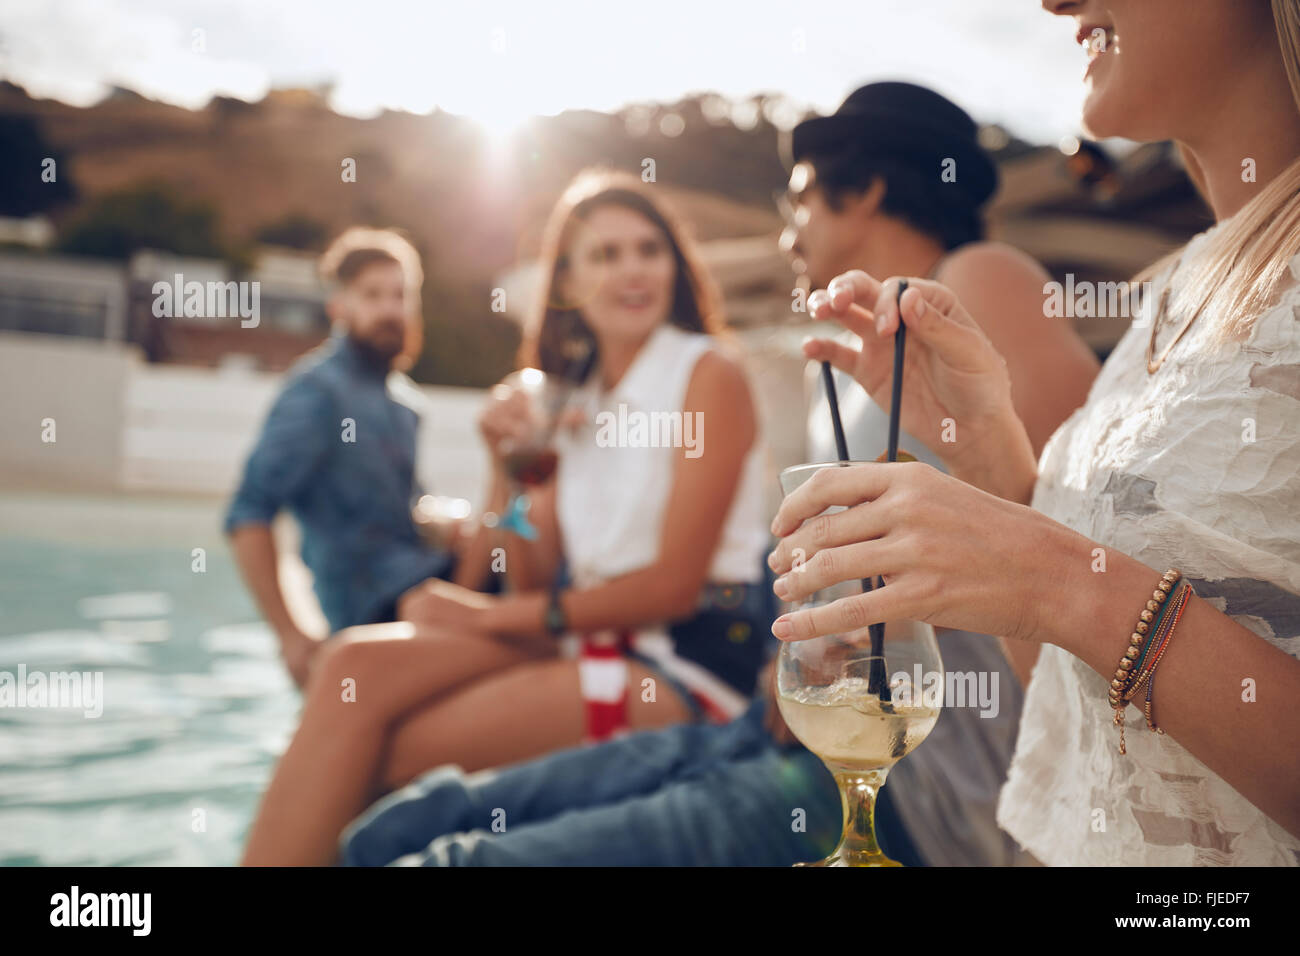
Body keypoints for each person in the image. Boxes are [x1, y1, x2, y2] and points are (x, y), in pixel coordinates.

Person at [340, 83, 1098, 866]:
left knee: (449, 860)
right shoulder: (839, 362)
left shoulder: (975, 278)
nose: (787, 229)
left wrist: (902, 606)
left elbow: (1092, 517)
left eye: (800, 198)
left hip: (920, 787)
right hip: (796, 727)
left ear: (864, 191)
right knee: (400, 831)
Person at [768, 0, 1300, 864]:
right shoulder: (1171, 297)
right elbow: (1068, 702)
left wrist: (1060, 579)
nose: (1052, 1)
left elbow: (1075, 602)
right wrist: (987, 455)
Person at [240, 170, 773, 865]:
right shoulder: (571, 396)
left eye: (649, 249)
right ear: (571, 284)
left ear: (675, 263)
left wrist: (481, 616)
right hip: (583, 636)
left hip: (682, 656)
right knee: (352, 664)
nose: (632, 270)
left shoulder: (708, 375)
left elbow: (671, 587)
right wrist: (511, 470)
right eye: (605, 256)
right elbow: (529, 574)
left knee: (385, 748)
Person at [224, 228, 460, 689]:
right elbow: (248, 512)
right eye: (373, 295)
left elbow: (406, 507)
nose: (390, 309)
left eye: (400, 295)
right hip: (372, 611)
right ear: (339, 306)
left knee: (508, 533)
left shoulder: (405, 405)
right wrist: (290, 636)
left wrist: (449, 523)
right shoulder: (317, 392)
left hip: (427, 585)